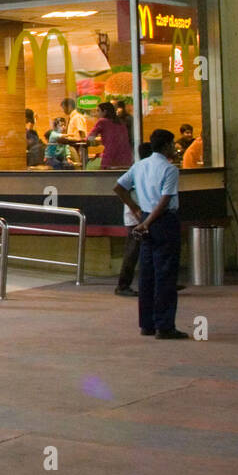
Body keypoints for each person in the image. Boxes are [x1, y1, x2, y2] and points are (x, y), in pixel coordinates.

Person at [114, 129, 186, 339]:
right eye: (172, 145)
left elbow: (119, 188)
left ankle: (147, 324)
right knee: (165, 274)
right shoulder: (170, 169)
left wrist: (136, 210)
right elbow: (165, 201)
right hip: (163, 222)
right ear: (167, 146)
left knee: (147, 274)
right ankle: (164, 325)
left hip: (145, 216)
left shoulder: (140, 165)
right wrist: (147, 222)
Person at [115, 142, 152, 297]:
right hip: (135, 216)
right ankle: (123, 285)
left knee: (149, 250)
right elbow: (120, 188)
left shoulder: (144, 168)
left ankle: (156, 282)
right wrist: (135, 208)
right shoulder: (139, 169)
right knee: (133, 250)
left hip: (143, 214)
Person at [88, 101, 131, 170]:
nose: (97, 114)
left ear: (104, 112)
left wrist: (98, 140)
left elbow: (90, 137)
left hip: (111, 157)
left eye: (98, 111)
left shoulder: (102, 121)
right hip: (126, 158)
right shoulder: (121, 122)